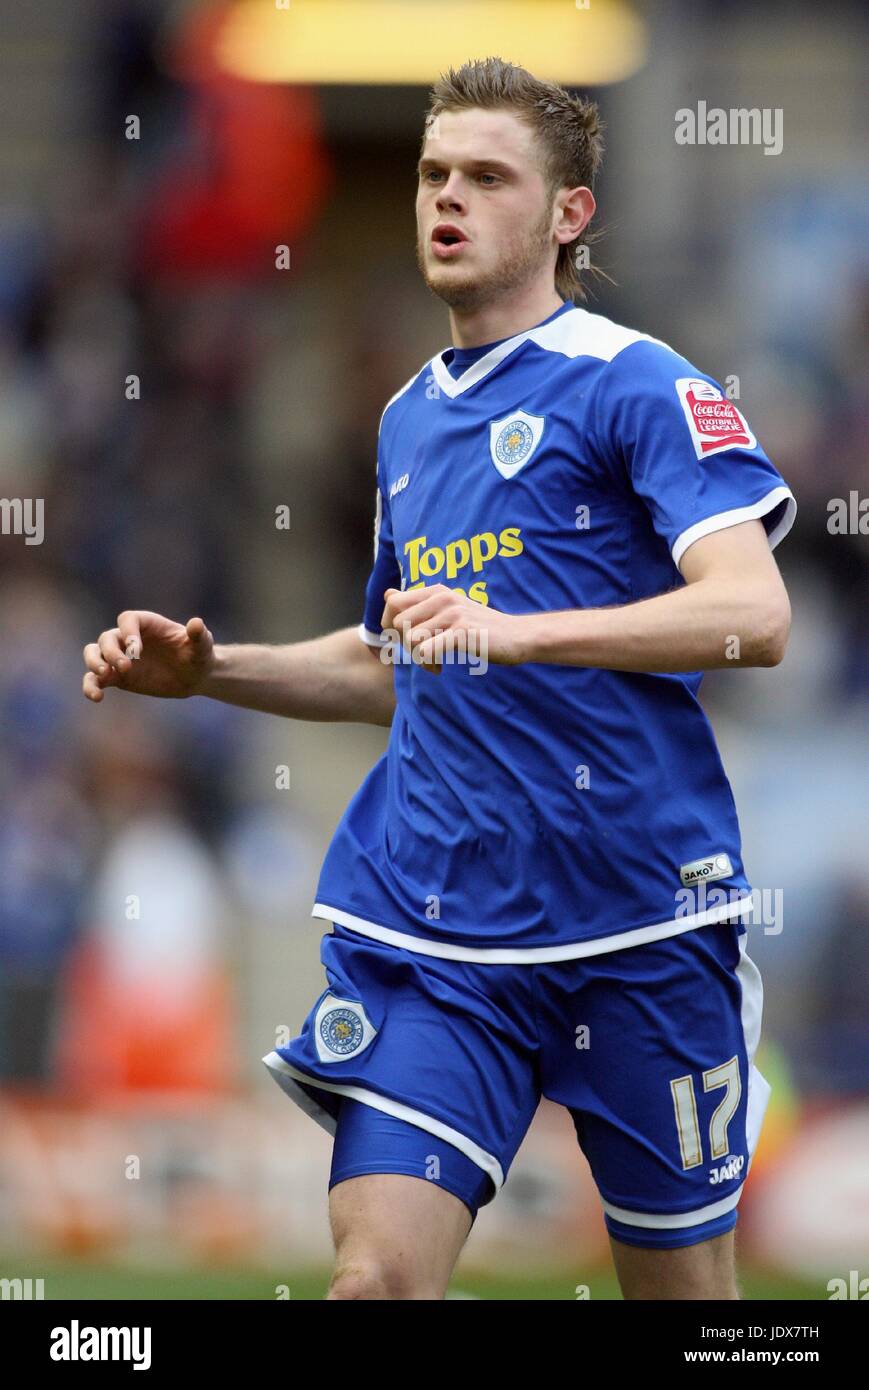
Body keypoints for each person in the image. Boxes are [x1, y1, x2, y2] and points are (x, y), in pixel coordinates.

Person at [82, 57, 796, 1300]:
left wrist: (517, 631)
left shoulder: (634, 380)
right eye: (429, 174)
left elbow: (754, 613)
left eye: (484, 176)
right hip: (443, 934)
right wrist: (207, 672)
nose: (444, 199)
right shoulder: (407, 418)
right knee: (375, 1285)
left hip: (635, 922)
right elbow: (392, 665)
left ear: (567, 214)